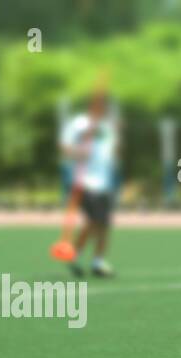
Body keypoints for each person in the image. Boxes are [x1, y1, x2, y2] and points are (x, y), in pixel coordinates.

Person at [59, 92, 119, 278]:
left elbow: (110, 151)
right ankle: (75, 254)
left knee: (104, 224)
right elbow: (65, 146)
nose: (103, 109)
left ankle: (98, 262)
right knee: (93, 221)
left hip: (104, 182)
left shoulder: (107, 127)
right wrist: (78, 153)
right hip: (82, 181)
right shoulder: (78, 124)